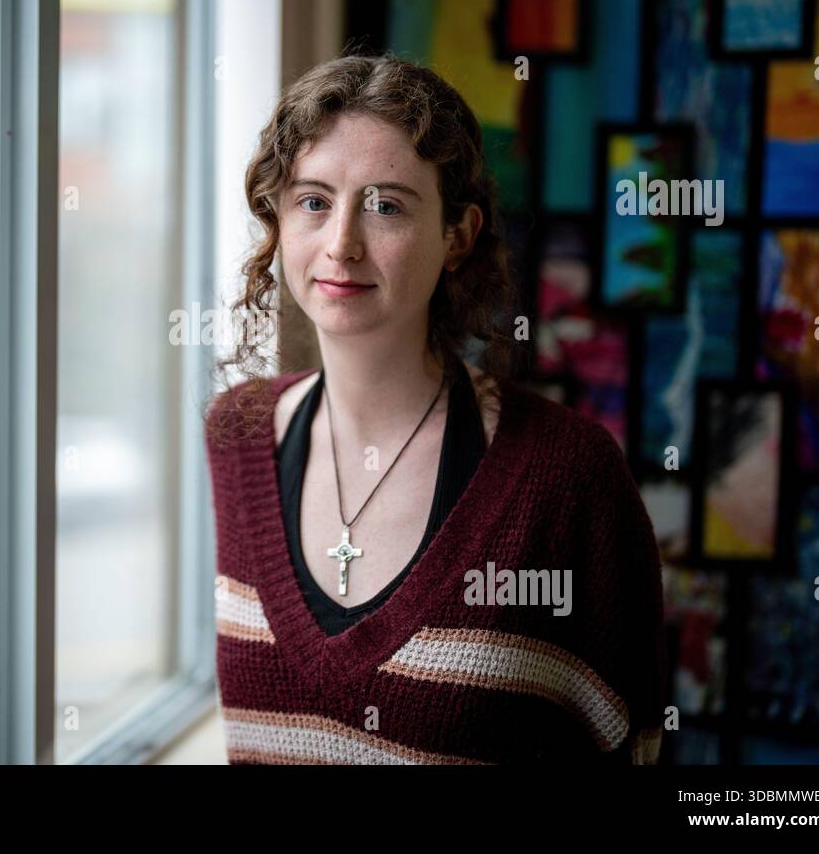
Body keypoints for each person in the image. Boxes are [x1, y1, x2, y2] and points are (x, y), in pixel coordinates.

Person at [204, 54, 667, 764]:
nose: (342, 244)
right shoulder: (235, 438)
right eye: (313, 201)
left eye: (386, 205)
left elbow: (634, 745)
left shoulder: (568, 477)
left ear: (458, 236)